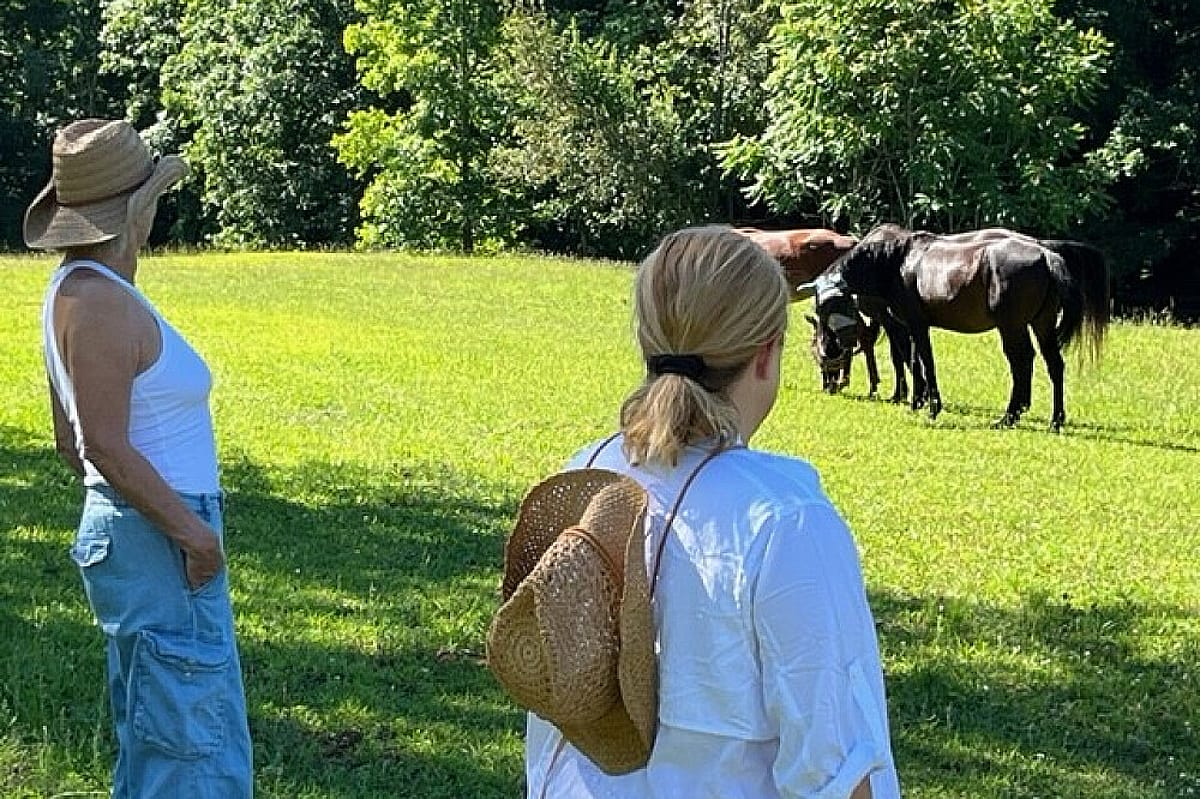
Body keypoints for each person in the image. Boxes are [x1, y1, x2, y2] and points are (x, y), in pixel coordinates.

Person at [524, 225, 901, 798]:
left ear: (647, 341)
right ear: (767, 353)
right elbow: (838, 769)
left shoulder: (578, 475)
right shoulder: (783, 519)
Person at [28, 119, 253, 797]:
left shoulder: (79, 290)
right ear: (135, 209)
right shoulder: (96, 301)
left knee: (162, 735)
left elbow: (71, 442)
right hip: (163, 534)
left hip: (139, 530)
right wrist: (191, 536)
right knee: (193, 752)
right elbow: (99, 442)